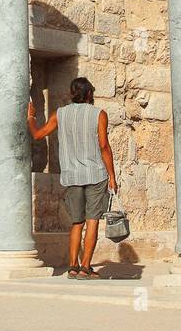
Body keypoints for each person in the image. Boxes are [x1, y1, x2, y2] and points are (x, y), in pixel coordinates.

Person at [26, 77, 116, 279]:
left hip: (72, 175)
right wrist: (112, 175)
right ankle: (86, 267)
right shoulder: (99, 114)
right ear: (90, 94)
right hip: (95, 174)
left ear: (72, 94)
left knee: (77, 223)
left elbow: (38, 135)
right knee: (92, 221)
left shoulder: (60, 114)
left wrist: (30, 118)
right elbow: (103, 146)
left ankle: (73, 266)